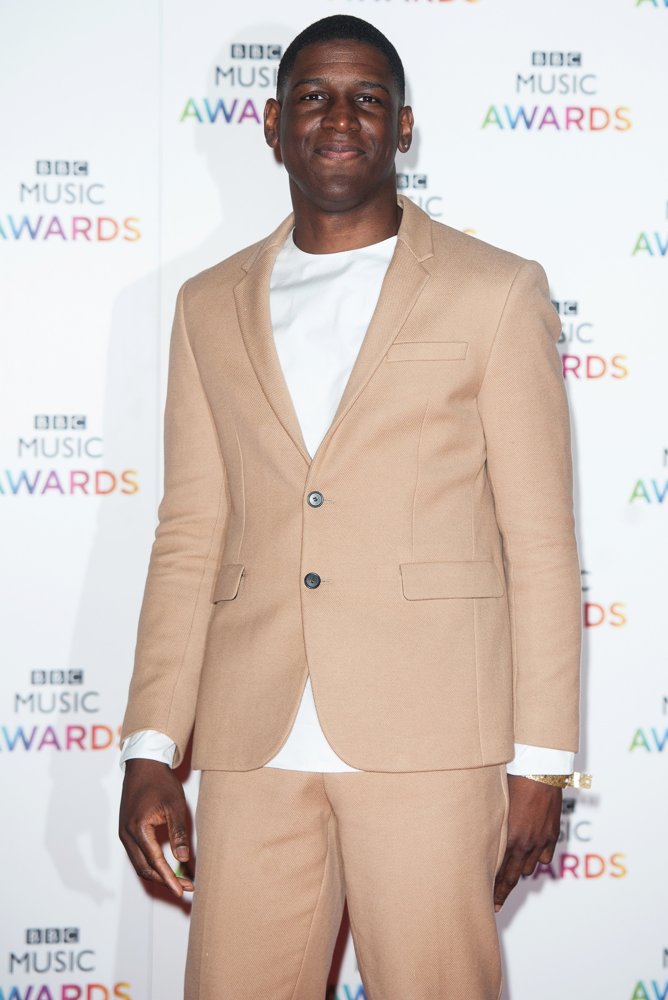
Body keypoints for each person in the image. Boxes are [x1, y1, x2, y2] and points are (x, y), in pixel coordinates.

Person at [119, 14, 584, 999]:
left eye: (365, 98)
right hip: (252, 738)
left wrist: (541, 759)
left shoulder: (494, 291)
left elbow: (537, 540)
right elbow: (190, 530)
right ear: (270, 124)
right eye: (313, 97)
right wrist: (151, 744)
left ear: (402, 124)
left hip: (431, 741)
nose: (339, 118)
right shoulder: (207, 304)